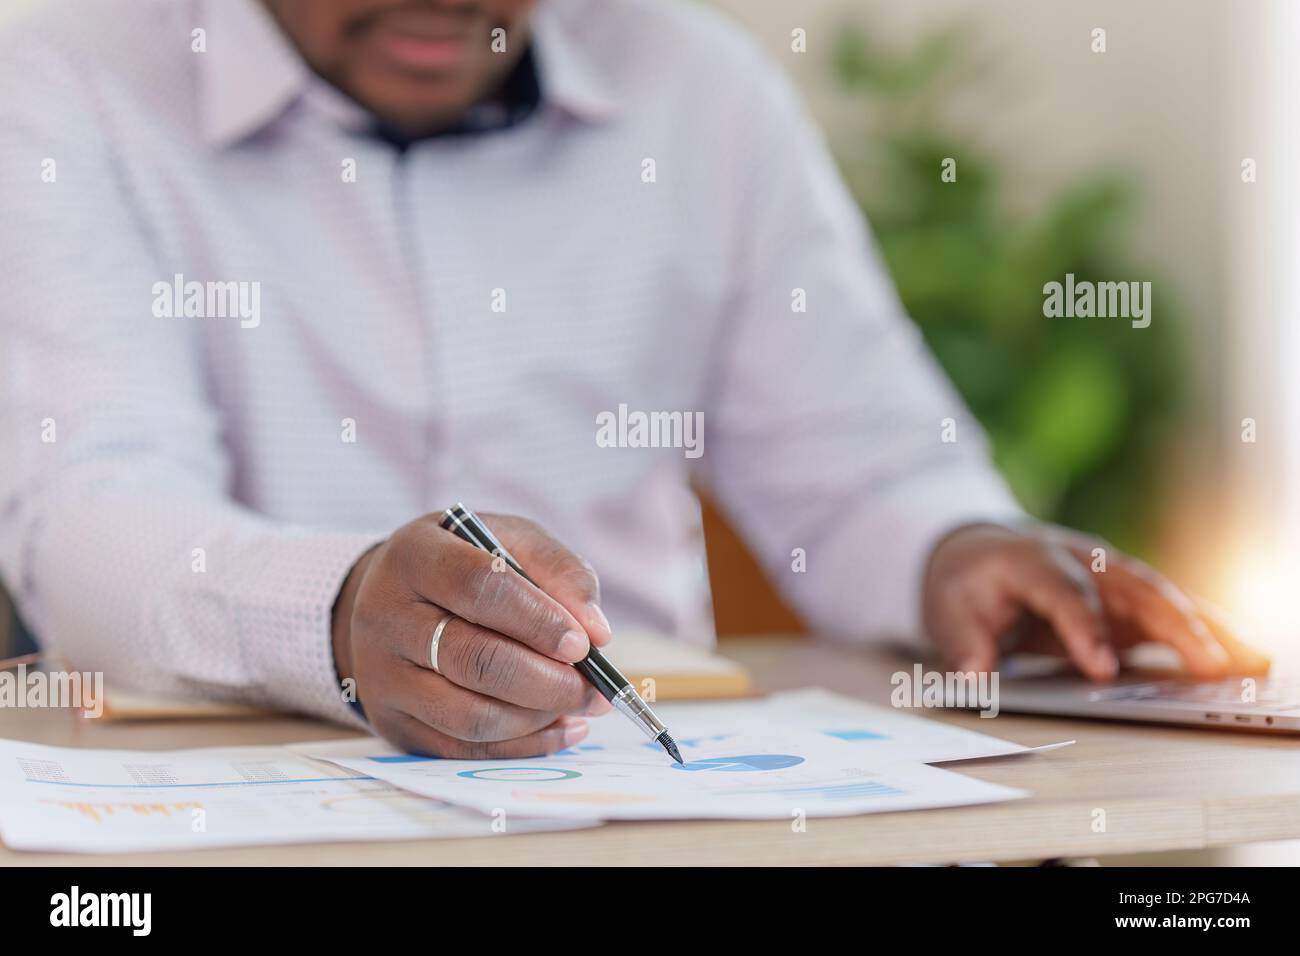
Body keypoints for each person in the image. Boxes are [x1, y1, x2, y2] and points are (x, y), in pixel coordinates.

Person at [0, 0, 1265, 757]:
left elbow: (863, 471)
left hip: (641, 813)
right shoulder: (67, 81)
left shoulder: (698, 93)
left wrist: (954, 548)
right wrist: (336, 614)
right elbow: (92, 511)